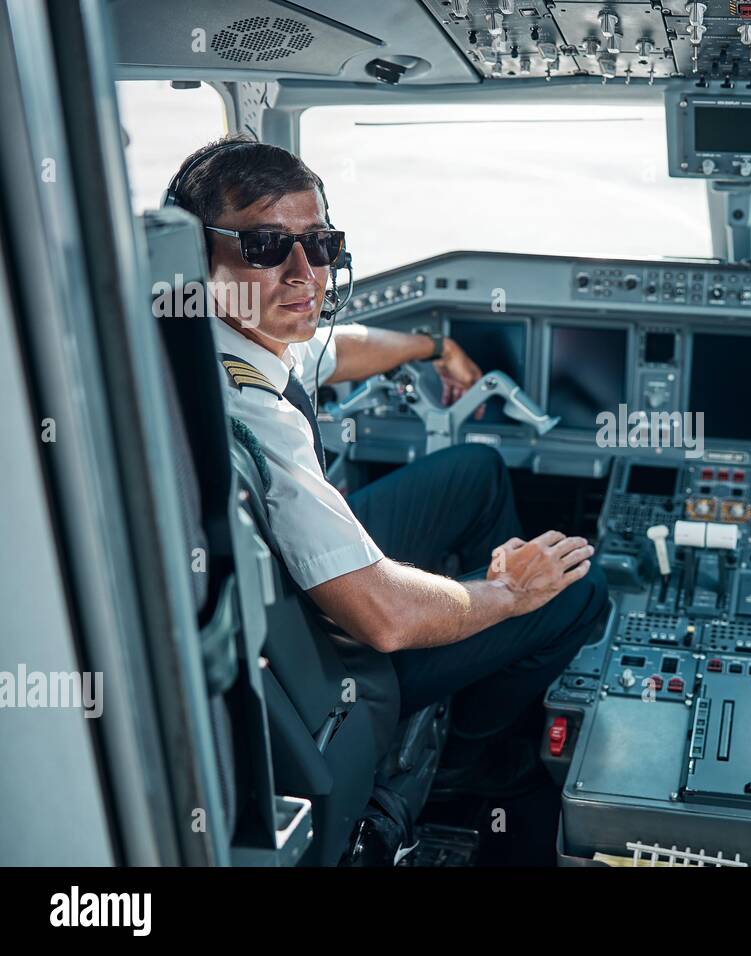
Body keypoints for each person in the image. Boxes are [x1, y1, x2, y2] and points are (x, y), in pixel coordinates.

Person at [174, 134, 608, 789]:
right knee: (574, 593)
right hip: (323, 656)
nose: (304, 275)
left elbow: (334, 348)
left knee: (476, 473)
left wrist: (433, 346)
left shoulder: (230, 330)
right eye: (264, 246)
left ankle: (475, 645)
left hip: (288, 590)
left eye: (319, 244)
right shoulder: (251, 410)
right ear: (193, 254)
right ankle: (463, 763)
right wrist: (512, 593)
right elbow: (384, 615)